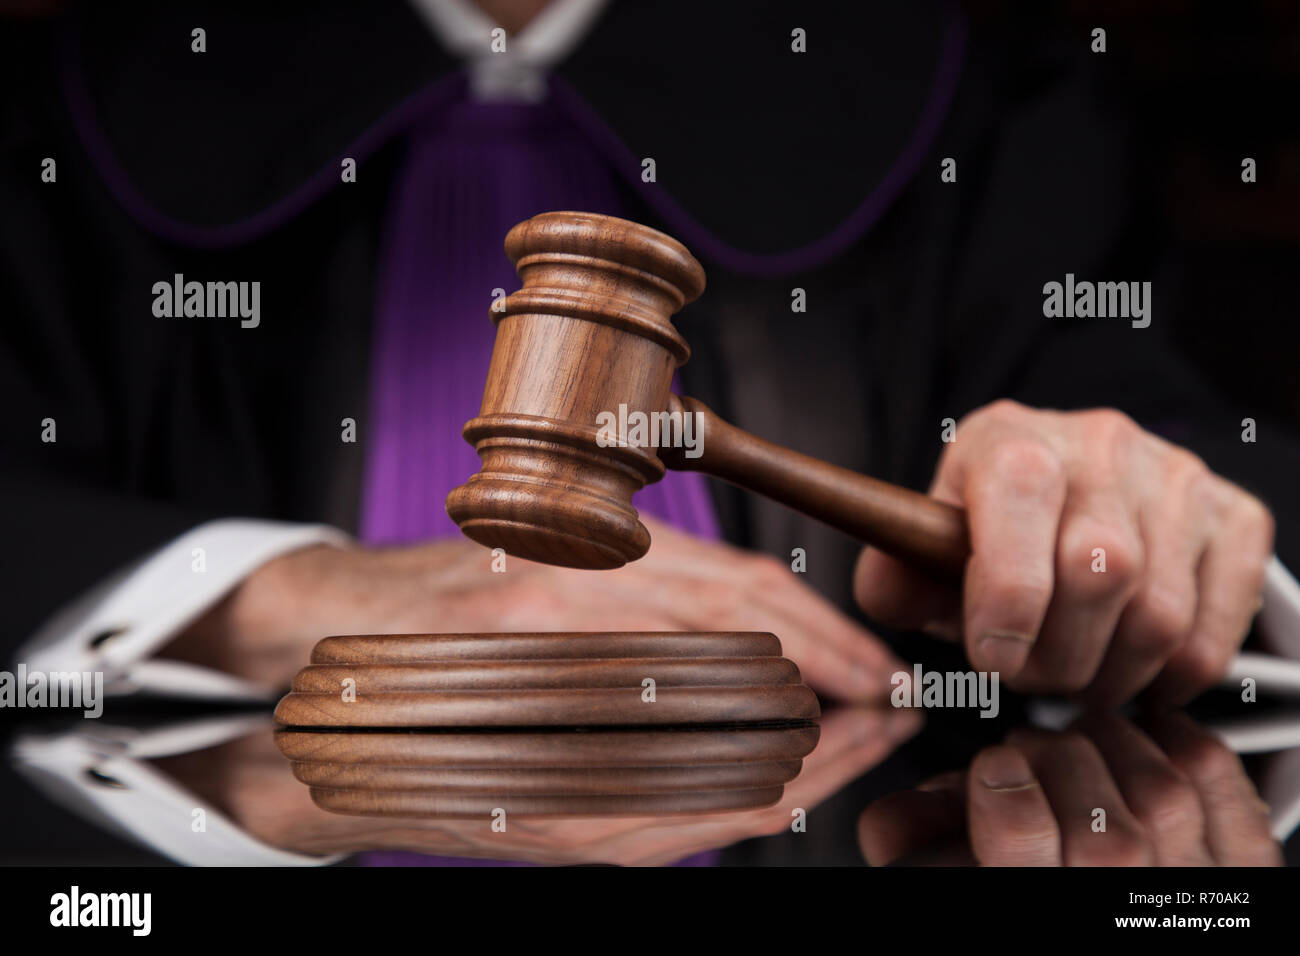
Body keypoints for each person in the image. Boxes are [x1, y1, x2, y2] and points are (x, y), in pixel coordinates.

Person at [3, 1, 1297, 863]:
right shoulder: (57, 107)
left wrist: (1143, 514)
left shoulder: (991, 93)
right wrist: (258, 596)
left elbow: (1177, 432)